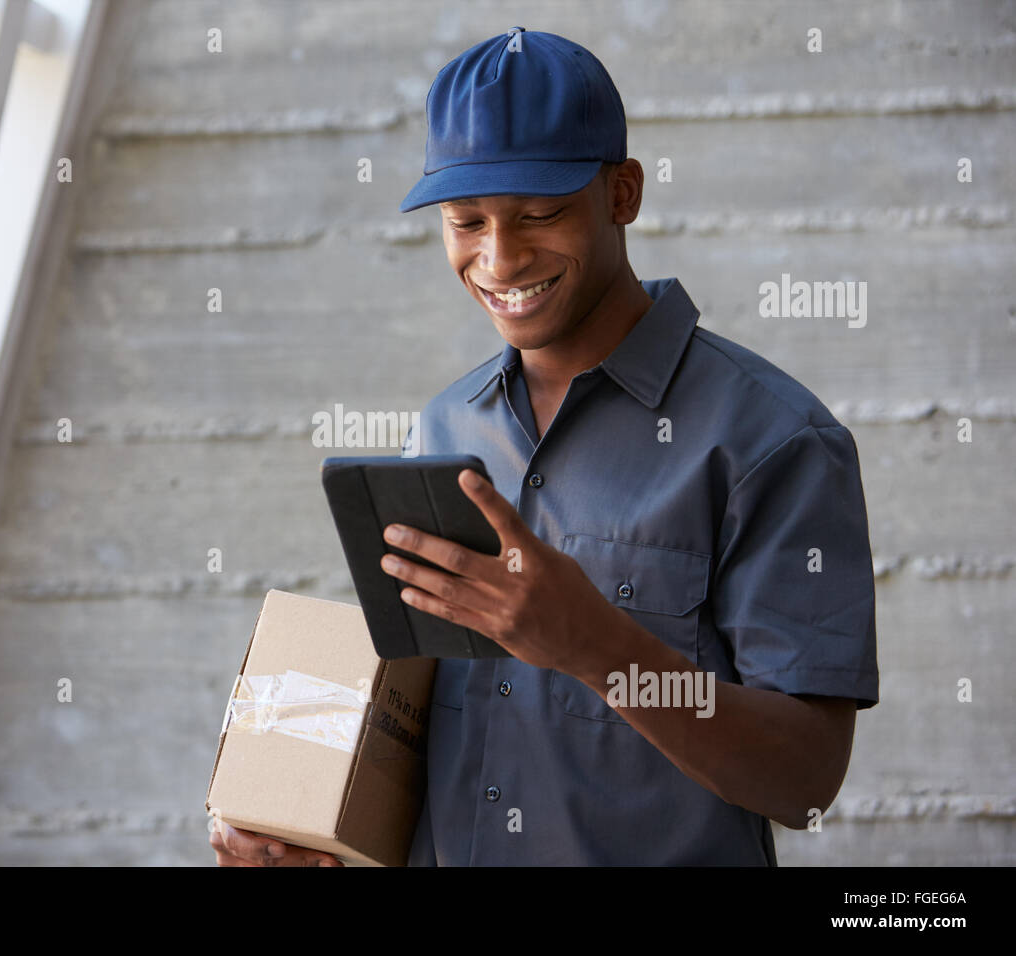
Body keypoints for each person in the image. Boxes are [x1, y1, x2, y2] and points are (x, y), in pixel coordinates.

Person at [211, 27, 878, 867]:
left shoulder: (774, 441)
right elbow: (433, 729)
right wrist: (319, 835)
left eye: (540, 213)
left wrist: (596, 646)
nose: (500, 257)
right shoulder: (445, 426)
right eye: (466, 221)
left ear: (623, 193)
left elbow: (805, 781)